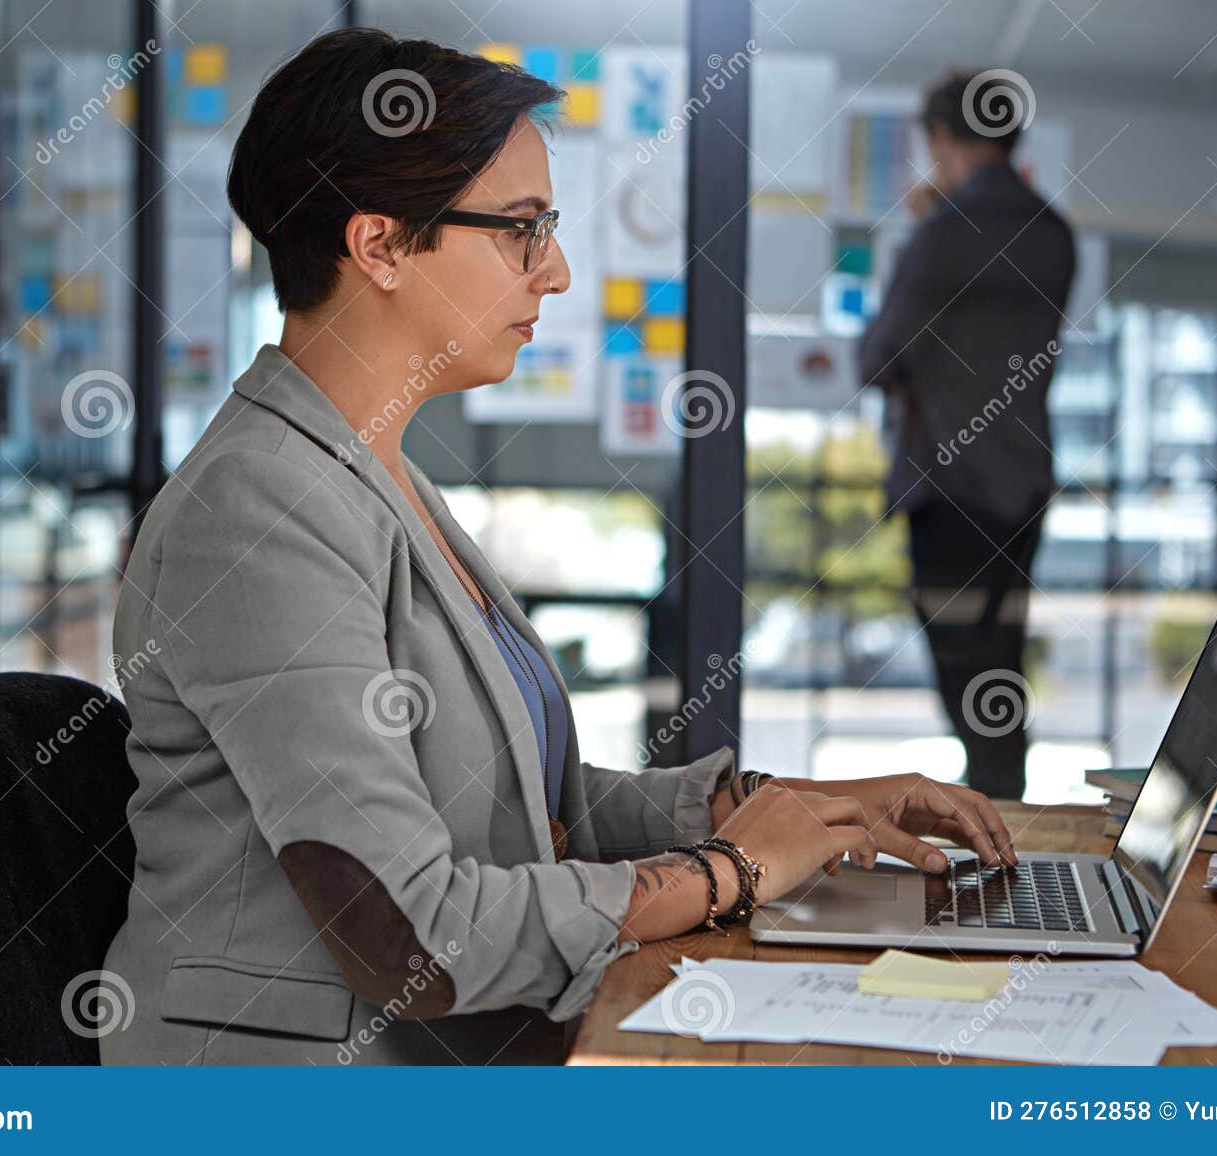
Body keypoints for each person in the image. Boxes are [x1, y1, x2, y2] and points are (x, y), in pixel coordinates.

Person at [101, 29, 1017, 1066]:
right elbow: (413, 933)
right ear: (381, 245)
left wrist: (787, 810)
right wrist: (726, 874)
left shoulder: (373, 472)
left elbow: (533, 811)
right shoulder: (260, 508)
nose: (558, 271)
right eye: (521, 230)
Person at [859, 70, 1076, 801]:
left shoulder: (945, 229)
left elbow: (879, 358)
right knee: (998, 671)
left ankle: (993, 828)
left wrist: (920, 233)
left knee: (962, 676)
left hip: (950, 488)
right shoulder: (1054, 232)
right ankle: (1006, 815)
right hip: (1022, 486)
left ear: (944, 139)